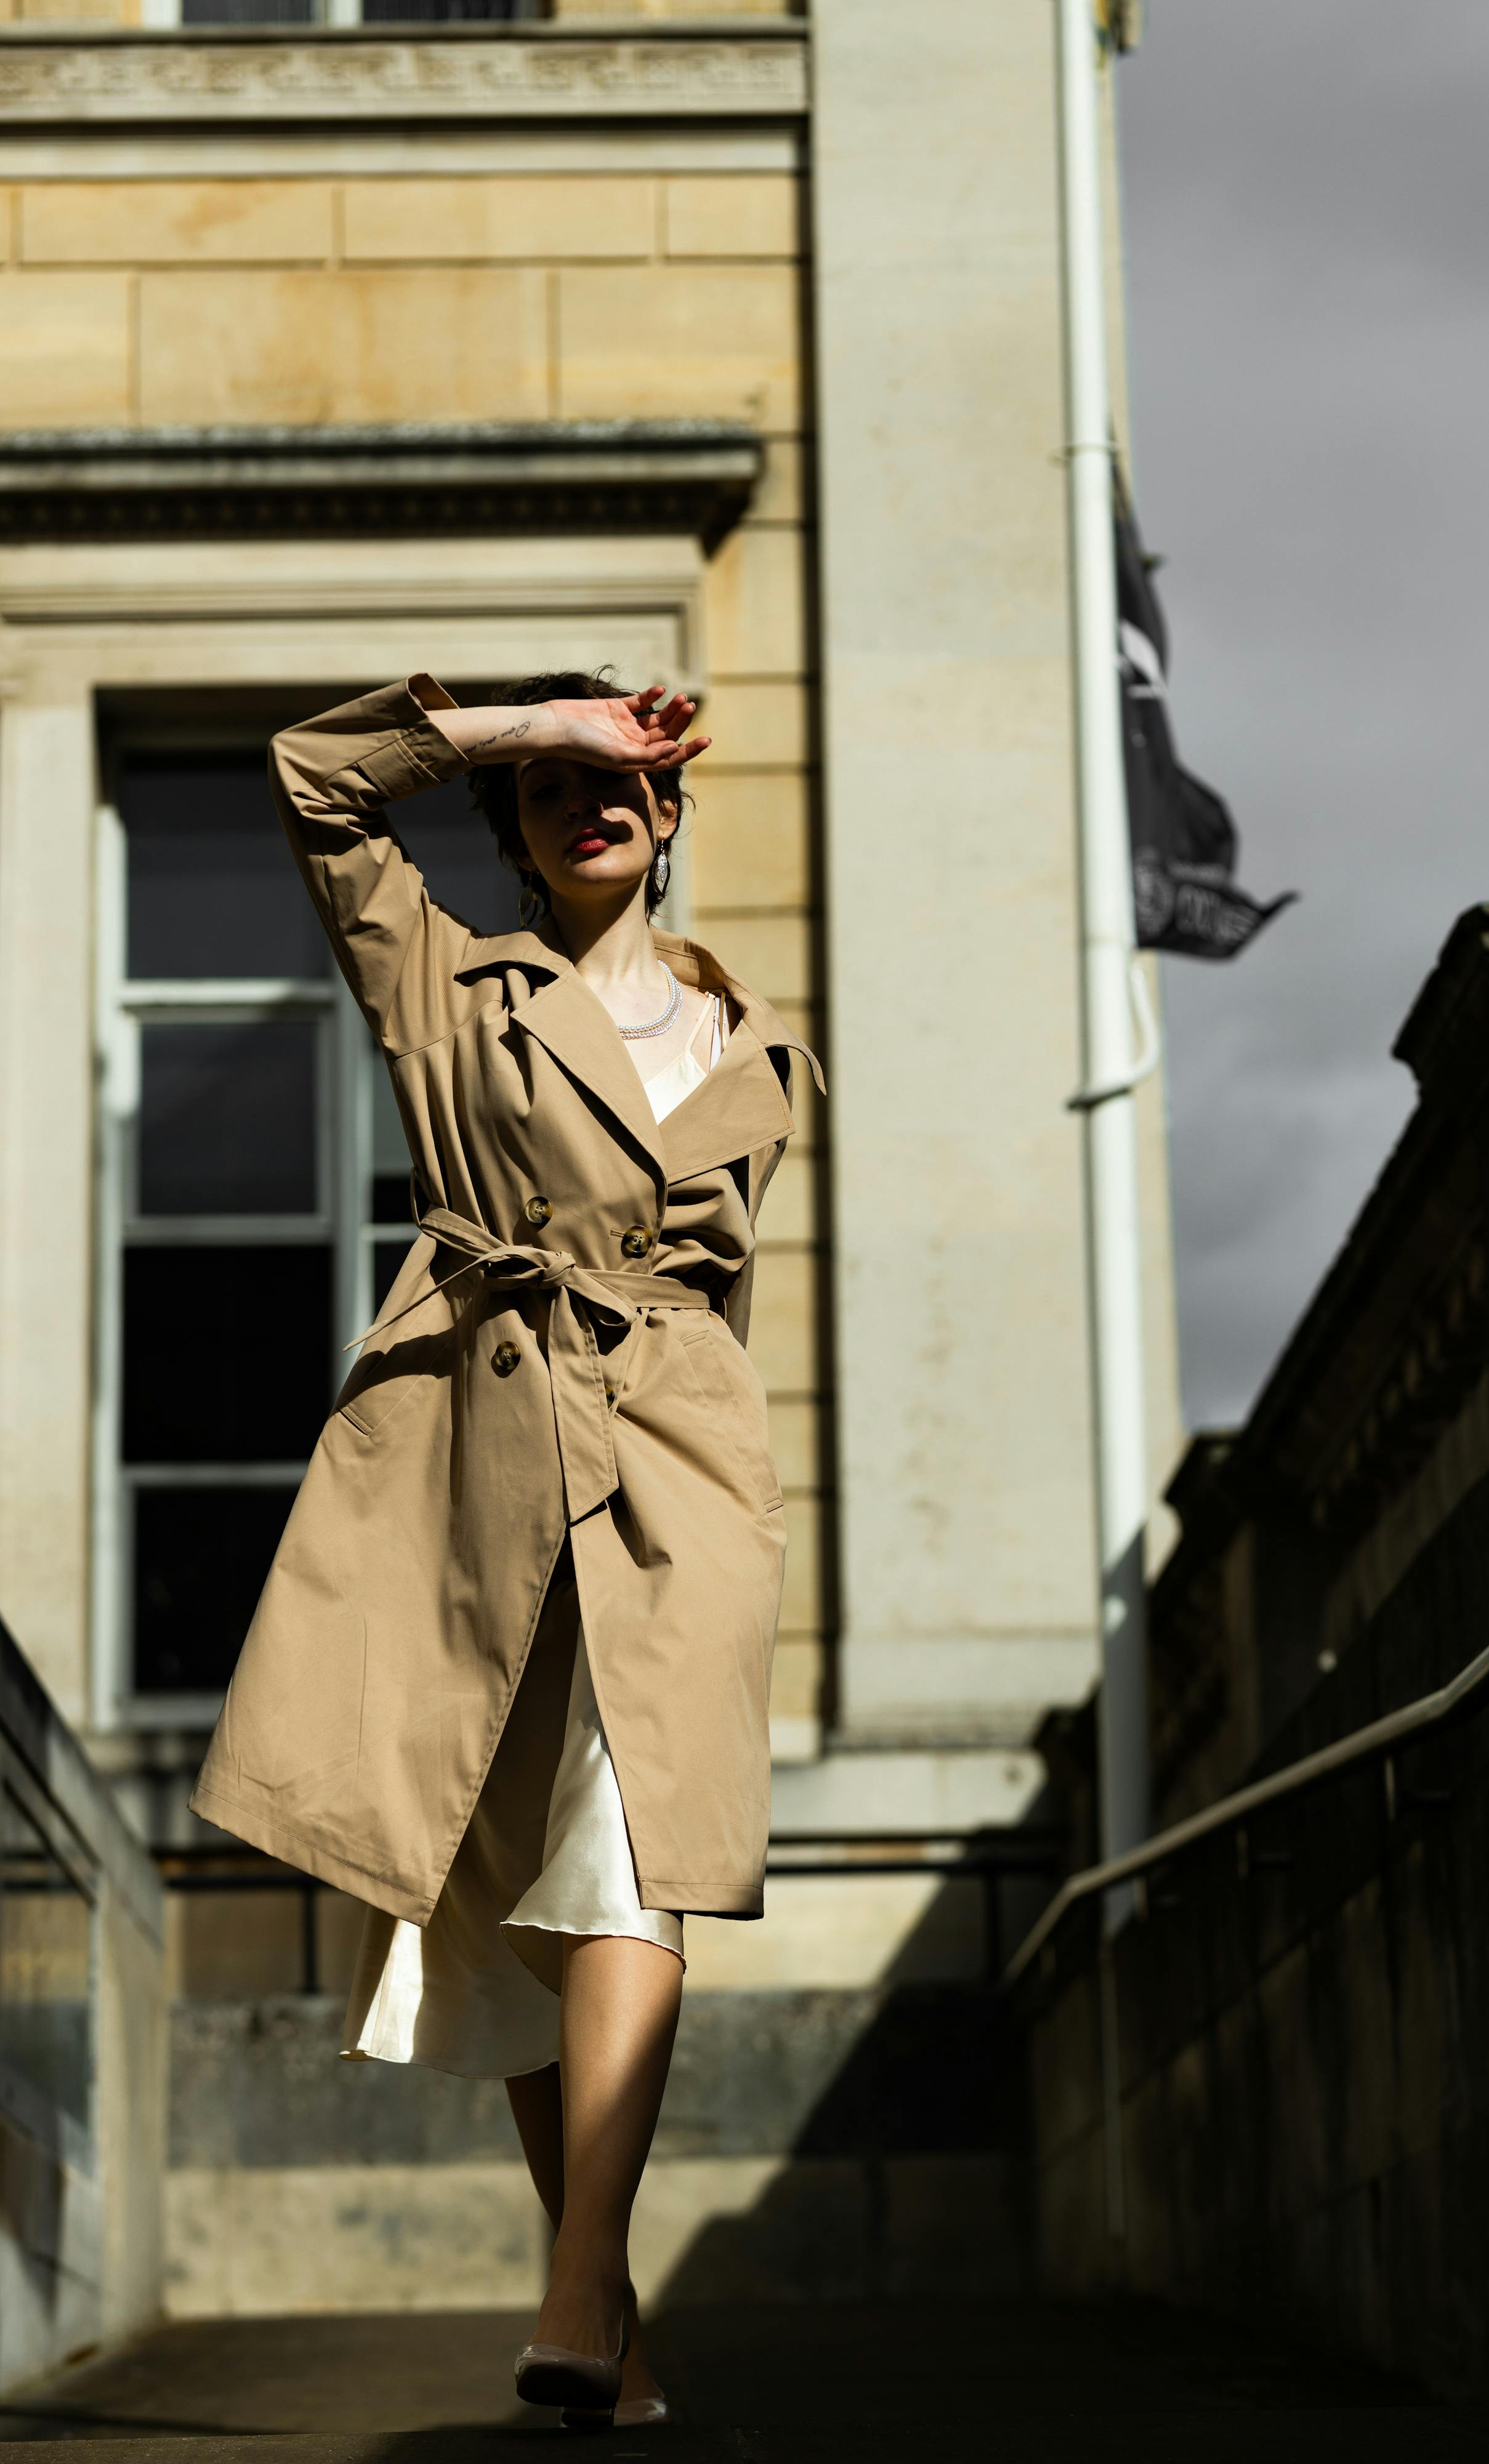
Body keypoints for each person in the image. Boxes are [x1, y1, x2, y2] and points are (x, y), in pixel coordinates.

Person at [189, 670, 820, 2427]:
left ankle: (569, 2291)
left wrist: (714, 1465)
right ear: (523, 830)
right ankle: (609, 2311)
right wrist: (540, 714)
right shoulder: (442, 973)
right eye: (549, 790)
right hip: (478, 1440)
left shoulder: (761, 1042)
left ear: (672, 818)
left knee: (635, 1854)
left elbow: (725, 1288)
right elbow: (316, 778)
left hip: (681, 1462)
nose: (585, 803)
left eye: (615, 784)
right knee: (512, 1905)